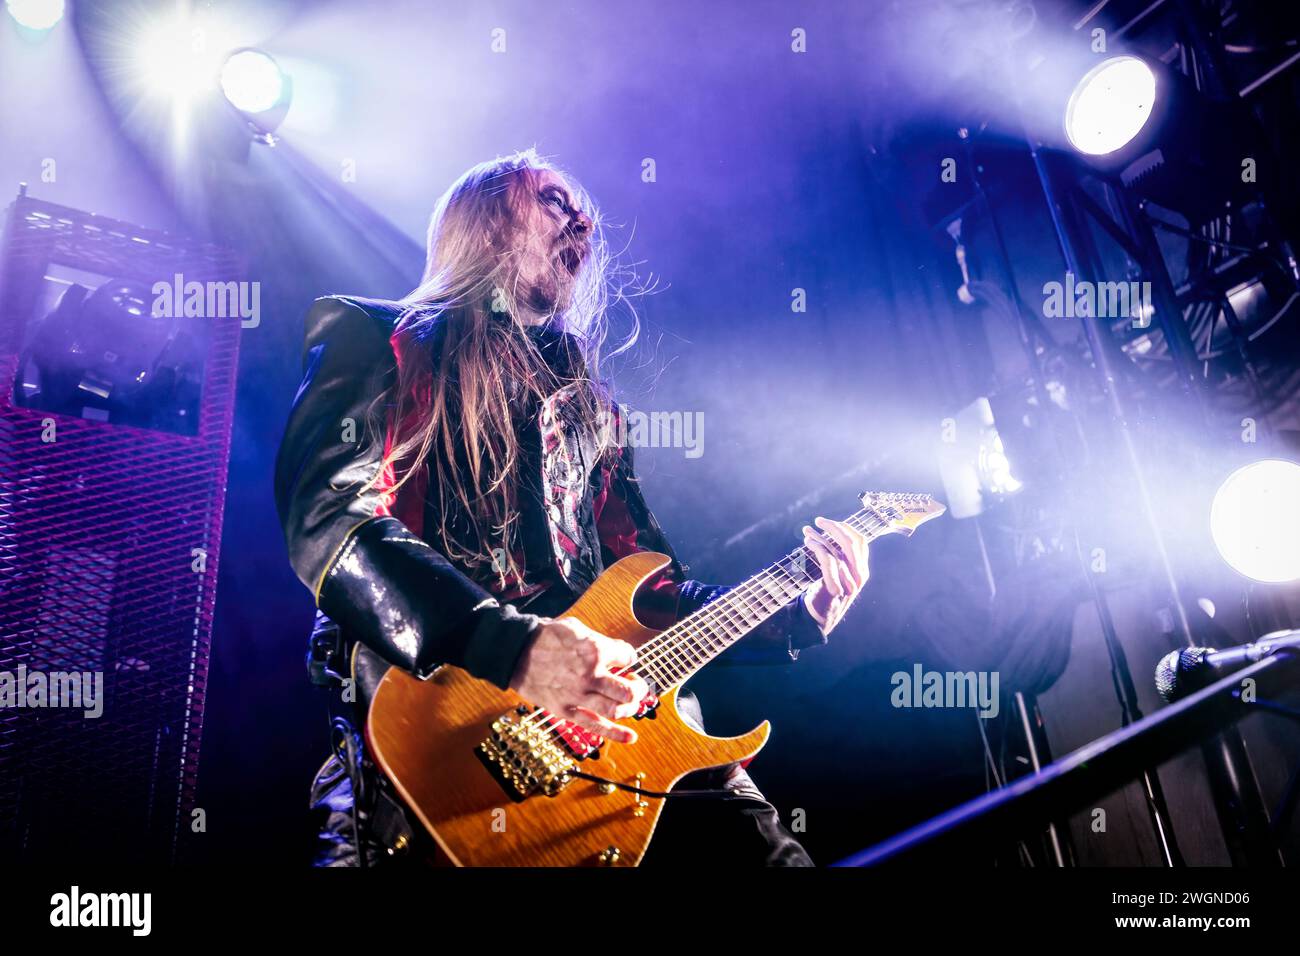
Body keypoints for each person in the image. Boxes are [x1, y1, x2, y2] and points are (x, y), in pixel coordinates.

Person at [273, 149, 871, 867]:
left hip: (630, 736)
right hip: (438, 746)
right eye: (555, 201)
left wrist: (795, 612)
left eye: (582, 209)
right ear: (486, 222)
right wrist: (513, 646)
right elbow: (327, 520)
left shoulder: (590, 408)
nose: (583, 218)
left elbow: (649, 595)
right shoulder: (379, 337)